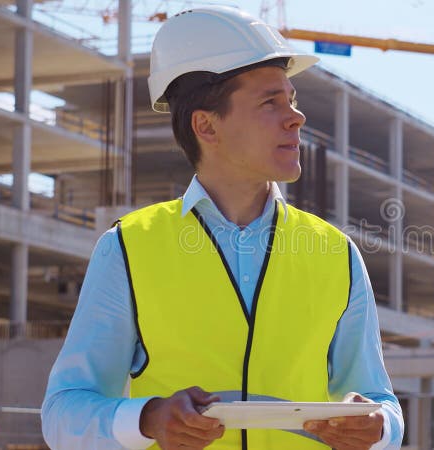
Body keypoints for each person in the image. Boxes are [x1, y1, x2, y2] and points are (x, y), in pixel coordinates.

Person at [41, 6, 403, 450]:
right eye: (271, 102)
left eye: (292, 99)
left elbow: (380, 401)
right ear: (206, 126)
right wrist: (148, 418)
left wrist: (378, 428)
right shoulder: (129, 248)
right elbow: (62, 414)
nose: (296, 117)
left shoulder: (336, 252)